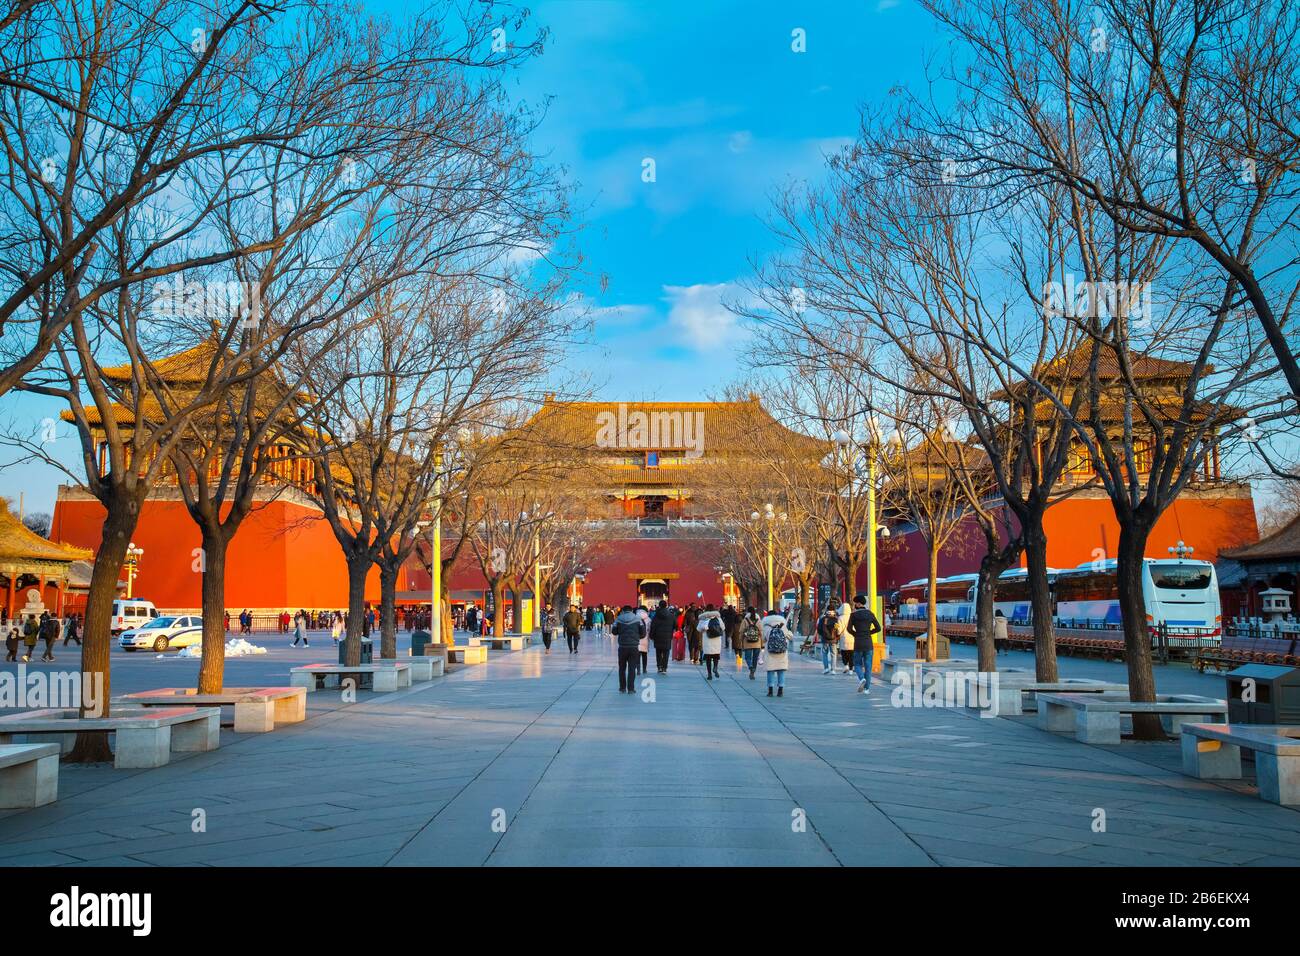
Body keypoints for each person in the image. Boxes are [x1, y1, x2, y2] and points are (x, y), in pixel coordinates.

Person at [847, 594, 882, 694]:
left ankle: (862, 678)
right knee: (868, 666)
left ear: (858, 603)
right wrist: (869, 633)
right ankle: (867, 689)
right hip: (868, 643)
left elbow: (849, 629)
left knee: (857, 664)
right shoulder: (870, 614)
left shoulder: (853, 615)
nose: (854, 605)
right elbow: (878, 628)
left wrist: (856, 634)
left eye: (855, 603)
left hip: (858, 643)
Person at [613, 604, 643, 694]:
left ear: (623, 611)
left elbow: (614, 632)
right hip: (634, 647)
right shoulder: (638, 619)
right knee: (632, 668)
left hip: (622, 646)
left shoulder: (618, 619)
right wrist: (636, 638)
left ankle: (622, 688)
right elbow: (643, 633)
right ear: (631, 611)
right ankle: (631, 688)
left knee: (622, 668)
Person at [761, 608, 790, 697]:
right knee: (781, 670)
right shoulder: (782, 624)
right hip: (782, 651)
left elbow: (763, 639)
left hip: (770, 651)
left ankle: (770, 691)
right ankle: (780, 690)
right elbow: (789, 635)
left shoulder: (766, 626)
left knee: (770, 670)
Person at [697, 604, 724, 679]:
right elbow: (723, 627)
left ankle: (709, 674)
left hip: (707, 639)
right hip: (716, 639)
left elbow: (698, 629)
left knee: (708, 658)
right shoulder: (718, 618)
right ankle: (715, 667)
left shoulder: (703, 618)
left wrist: (704, 628)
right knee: (716, 655)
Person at [739, 606, 764, 680]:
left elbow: (741, 631)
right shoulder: (758, 620)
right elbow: (761, 632)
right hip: (757, 642)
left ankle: (750, 667)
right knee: (755, 658)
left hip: (747, 642)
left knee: (747, 658)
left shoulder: (745, 620)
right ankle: (753, 673)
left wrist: (740, 641)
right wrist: (762, 644)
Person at [650, 601, 675, 673]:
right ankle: (664, 668)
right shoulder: (671, 615)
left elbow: (653, 626)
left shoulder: (656, 615)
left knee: (658, 652)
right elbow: (675, 625)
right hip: (667, 637)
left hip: (657, 636)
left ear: (659, 606)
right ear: (666, 605)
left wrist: (651, 635)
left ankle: (659, 667)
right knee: (666, 652)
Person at [816, 606, 839, 674]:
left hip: (825, 639)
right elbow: (837, 630)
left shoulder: (823, 619)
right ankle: (833, 670)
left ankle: (826, 668)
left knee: (824, 653)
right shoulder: (836, 619)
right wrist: (836, 636)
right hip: (833, 640)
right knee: (833, 654)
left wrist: (823, 635)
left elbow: (819, 629)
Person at [837, 601, 854, 674]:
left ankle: (845, 665)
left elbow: (839, 629)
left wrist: (837, 633)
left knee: (844, 653)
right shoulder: (852, 617)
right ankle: (851, 669)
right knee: (851, 654)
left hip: (843, 638)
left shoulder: (840, 618)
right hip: (852, 638)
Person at [636, 604, 651, 674]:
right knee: (644, 655)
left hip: (637, 640)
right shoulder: (648, 619)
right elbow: (650, 630)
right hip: (645, 639)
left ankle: (638, 670)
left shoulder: (635, 618)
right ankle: (644, 669)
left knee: (637, 655)